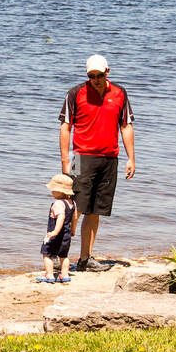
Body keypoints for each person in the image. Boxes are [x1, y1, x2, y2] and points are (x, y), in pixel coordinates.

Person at [59, 54, 136, 271]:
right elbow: (65, 127)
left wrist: (131, 158)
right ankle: (58, 252)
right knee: (74, 207)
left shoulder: (120, 93)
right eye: (91, 76)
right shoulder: (76, 93)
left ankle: (85, 259)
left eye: (99, 75)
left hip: (109, 158)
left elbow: (126, 126)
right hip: (81, 158)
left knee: (95, 211)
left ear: (107, 72)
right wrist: (65, 161)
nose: (96, 80)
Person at [37, 174, 76, 283]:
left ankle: (49, 275)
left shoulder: (58, 203)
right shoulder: (72, 203)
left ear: (60, 191)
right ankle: (64, 275)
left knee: (47, 253)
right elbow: (75, 217)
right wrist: (73, 230)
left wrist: (55, 232)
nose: (52, 192)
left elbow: (61, 217)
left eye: (53, 190)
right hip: (66, 235)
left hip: (56, 235)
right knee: (64, 255)